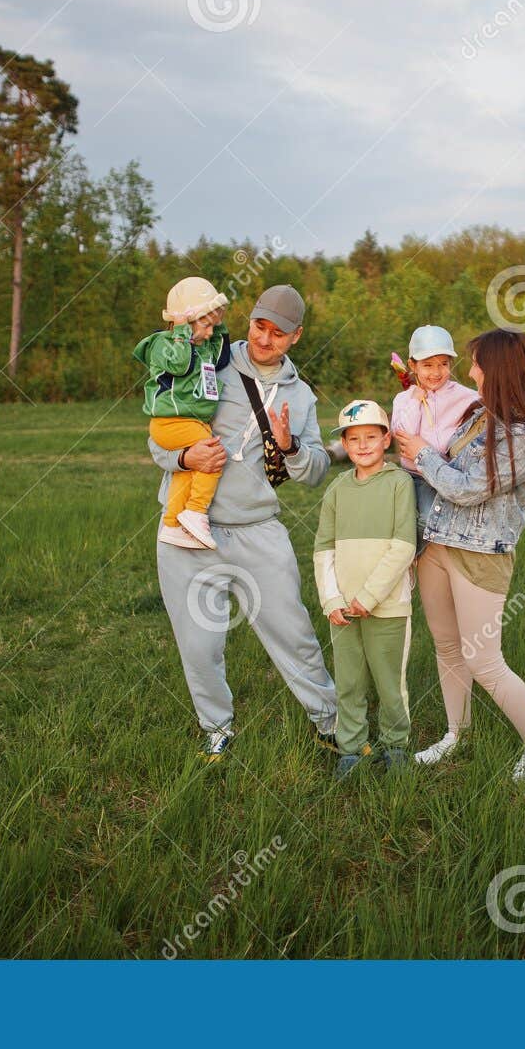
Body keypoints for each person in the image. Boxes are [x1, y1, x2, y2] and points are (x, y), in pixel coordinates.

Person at [147, 285, 339, 761]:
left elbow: (314, 470)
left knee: (293, 633)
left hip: (258, 531)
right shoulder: (210, 360)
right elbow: (159, 435)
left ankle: (331, 722)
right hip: (188, 531)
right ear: (249, 321)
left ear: (296, 337)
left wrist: (290, 446)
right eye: (259, 327)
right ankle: (217, 729)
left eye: (278, 333)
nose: (265, 339)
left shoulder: (303, 396)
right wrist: (185, 455)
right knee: (199, 644)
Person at [393, 328, 525, 782]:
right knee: (447, 647)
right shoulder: (477, 415)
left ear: (498, 370)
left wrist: (424, 455)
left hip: (480, 554)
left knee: (483, 659)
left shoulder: (523, 436)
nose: (468, 372)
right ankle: (456, 733)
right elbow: (441, 458)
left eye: (476, 364)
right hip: (438, 543)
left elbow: (466, 489)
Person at [313, 400, 417, 780]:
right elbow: (323, 547)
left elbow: (404, 545)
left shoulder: (399, 484)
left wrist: (369, 598)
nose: (362, 445)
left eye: (371, 436)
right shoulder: (338, 489)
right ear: (344, 442)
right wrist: (332, 600)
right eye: (353, 438)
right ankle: (352, 746)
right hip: (343, 609)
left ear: (386, 439)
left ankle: (395, 743)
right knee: (349, 682)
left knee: (390, 682)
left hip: (387, 606)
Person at [132, 276, 231, 550]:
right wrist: (182, 331)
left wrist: (216, 323)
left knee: (189, 470)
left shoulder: (204, 345)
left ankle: (173, 524)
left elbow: (223, 356)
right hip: (170, 422)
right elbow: (179, 365)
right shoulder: (164, 344)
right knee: (212, 453)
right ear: (184, 322)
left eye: (215, 325)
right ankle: (197, 510)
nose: (211, 332)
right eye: (206, 325)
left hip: (187, 422)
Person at [387, 325, 478, 553]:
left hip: (449, 473)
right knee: (417, 519)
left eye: (443, 364)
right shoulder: (403, 399)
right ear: (412, 365)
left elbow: (486, 408)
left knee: (439, 519)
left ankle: (432, 553)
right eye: (427, 365)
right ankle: (407, 556)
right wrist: (416, 401)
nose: (436, 372)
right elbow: (403, 434)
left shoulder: (465, 396)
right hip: (416, 475)